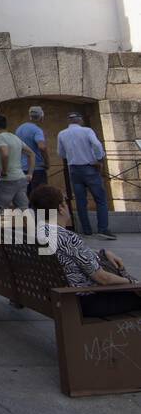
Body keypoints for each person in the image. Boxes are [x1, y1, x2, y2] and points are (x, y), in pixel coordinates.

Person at [30, 185, 141, 318]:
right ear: (61, 208)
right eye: (65, 202)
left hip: (59, 297)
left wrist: (102, 252)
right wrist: (132, 283)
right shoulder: (68, 238)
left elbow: (73, 254)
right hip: (84, 300)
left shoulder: (37, 234)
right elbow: (103, 278)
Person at [57, 112, 115, 241]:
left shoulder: (62, 134)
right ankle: (103, 229)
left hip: (74, 169)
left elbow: (61, 152)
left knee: (80, 201)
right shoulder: (87, 131)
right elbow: (97, 145)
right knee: (100, 199)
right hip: (89, 167)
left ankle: (86, 230)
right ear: (80, 120)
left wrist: (72, 156)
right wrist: (99, 159)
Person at [0, 114, 32, 210]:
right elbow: (31, 154)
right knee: (24, 210)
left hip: (7, 180)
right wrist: (30, 173)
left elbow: (5, 153)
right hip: (21, 178)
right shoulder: (15, 138)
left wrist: (4, 171)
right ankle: (31, 225)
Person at [15, 106, 49, 197]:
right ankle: (43, 212)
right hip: (37, 169)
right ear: (41, 116)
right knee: (42, 198)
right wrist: (47, 162)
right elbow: (42, 147)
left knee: (27, 198)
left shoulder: (19, 129)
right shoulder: (37, 130)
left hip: (22, 168)